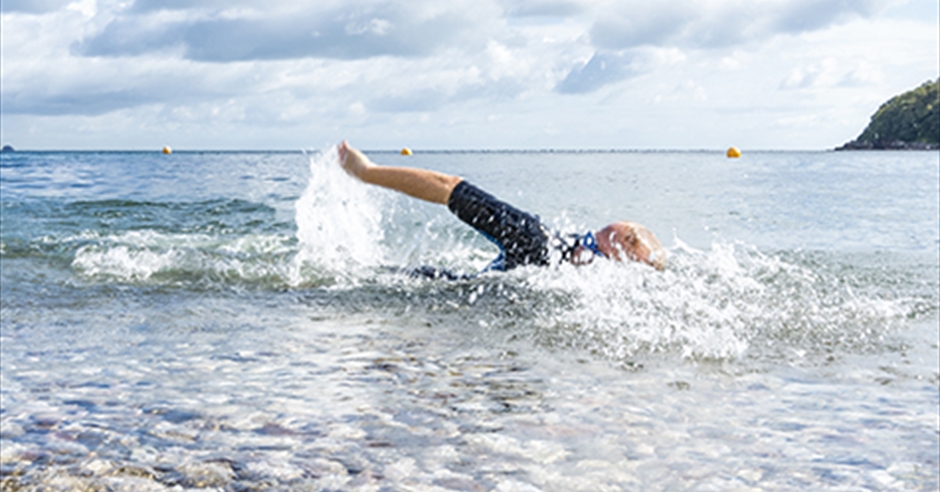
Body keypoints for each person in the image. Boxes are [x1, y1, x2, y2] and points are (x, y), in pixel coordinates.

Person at [337, 141, 665, 276]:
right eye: (590, 242)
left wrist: (367, 172)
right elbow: (452, 190)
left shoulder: (547, 250)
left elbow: (450, 187)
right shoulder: (541, 245)